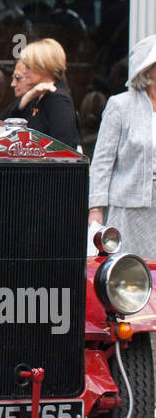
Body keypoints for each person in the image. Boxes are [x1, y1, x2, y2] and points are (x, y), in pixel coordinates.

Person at [88, 34, 156, 258]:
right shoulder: (120, 105)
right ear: (149, 70)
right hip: (128, 209)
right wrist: (96, 208)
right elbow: (102, 160)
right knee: (127, 272)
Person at [3, 38, 80, 147]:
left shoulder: (59, 101)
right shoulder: (37, 95)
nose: (24, 71)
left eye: (29, 66)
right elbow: (2, 126)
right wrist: (27, 97)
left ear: (44, 67)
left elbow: (63, 150)